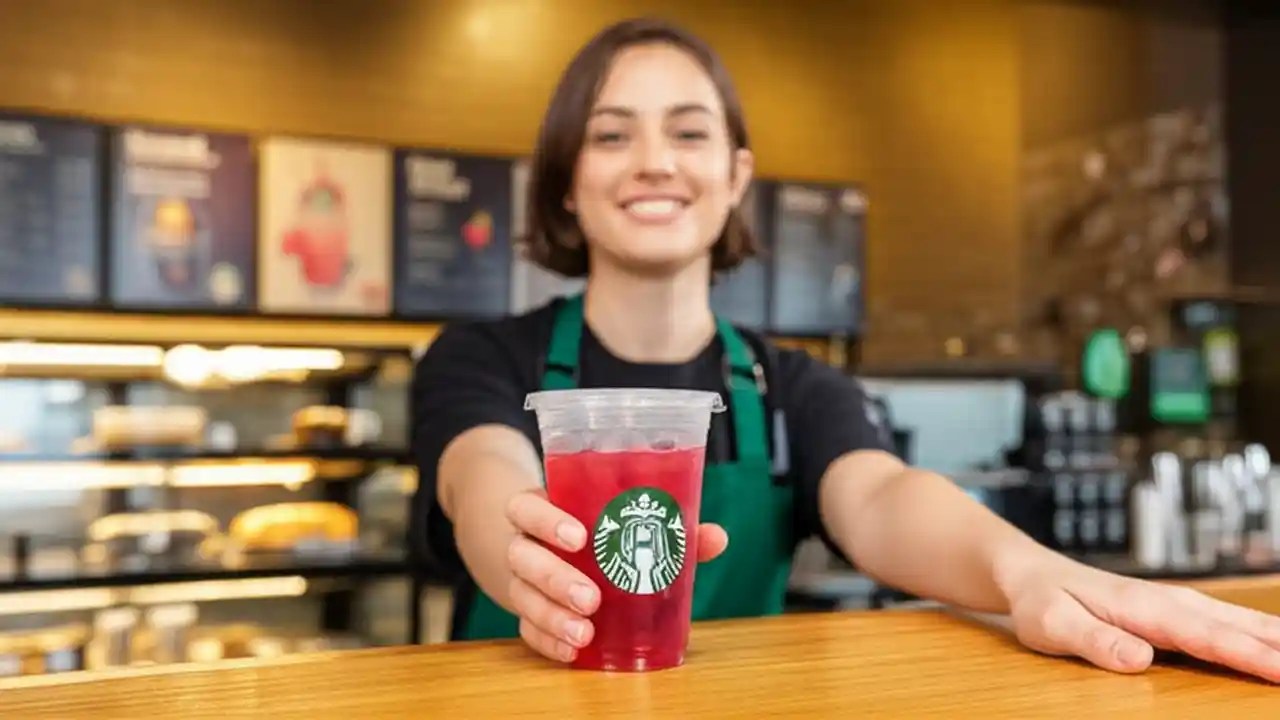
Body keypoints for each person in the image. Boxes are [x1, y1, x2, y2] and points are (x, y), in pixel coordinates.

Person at [410, 17, 1280, 681]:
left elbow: (884, 495)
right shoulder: (480, 360)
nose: (653, 162)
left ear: (736, 177)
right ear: (566, 181)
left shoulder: (790, 386)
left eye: (687, 132)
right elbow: (484, 473)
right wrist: (521, 551)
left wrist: (1027, 574)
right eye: (610, 134)